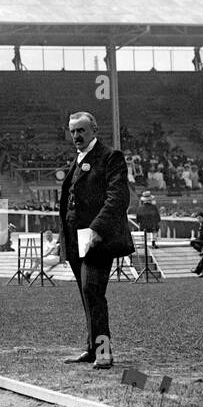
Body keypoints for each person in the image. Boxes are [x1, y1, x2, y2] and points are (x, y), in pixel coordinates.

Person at [58, 111, 135, 369]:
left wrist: (96, 229)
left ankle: (104, 351)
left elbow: (118, 198)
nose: (77, 136)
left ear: (94, 130)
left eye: (81, 130)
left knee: (93, 291)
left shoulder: (110, 157)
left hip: (98, 239)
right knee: (86, 294)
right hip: (75, 240)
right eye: (73, 131)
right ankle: (92, 348)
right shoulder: (77, 161)